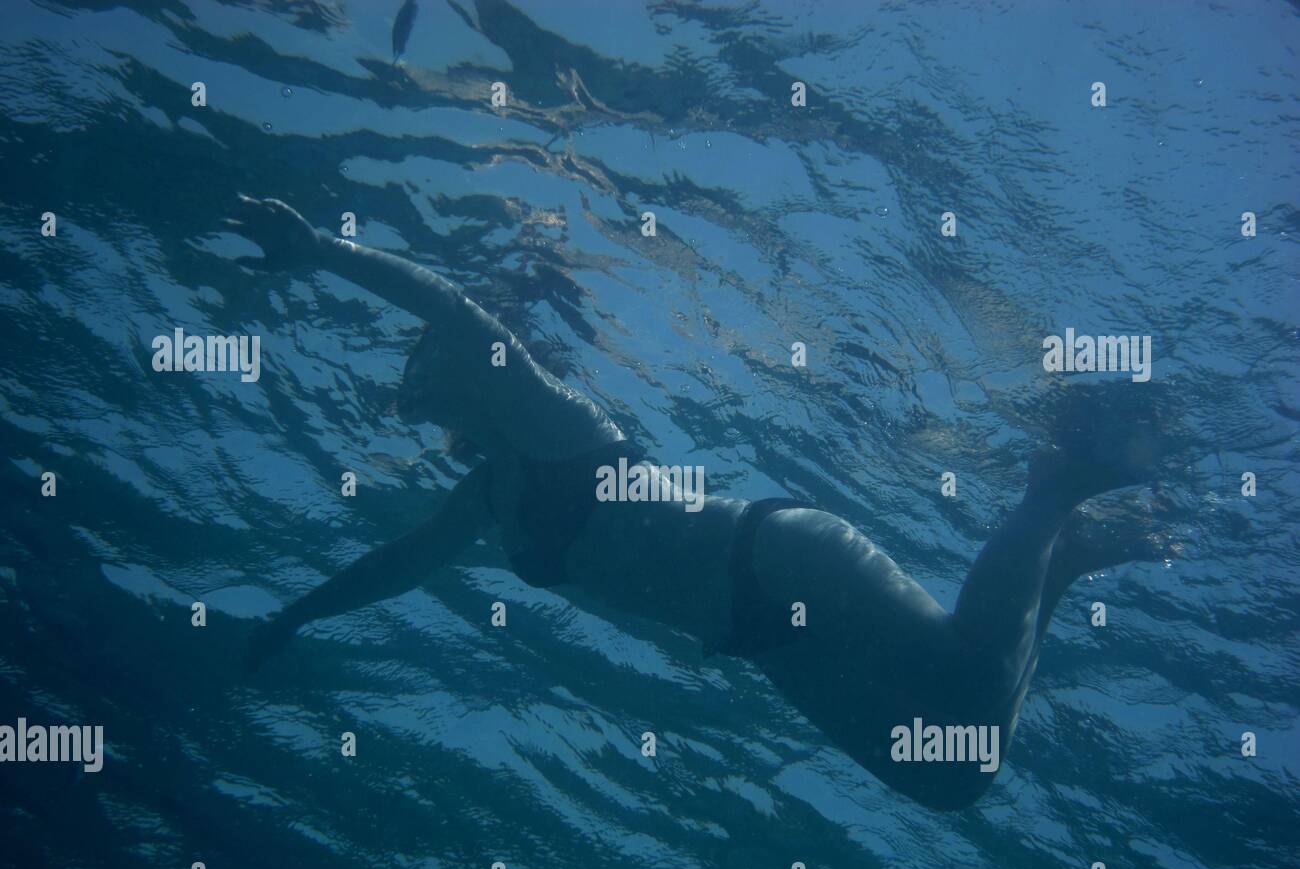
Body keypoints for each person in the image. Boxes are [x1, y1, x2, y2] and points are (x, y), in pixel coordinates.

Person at [229, 195, 1173, 811]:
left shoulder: (549, 416)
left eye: (420, 366)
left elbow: (448, 306)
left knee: (966, 689)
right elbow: (395, 564)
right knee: (953, 775)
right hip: (760, 639)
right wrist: (295, 614)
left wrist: (317, 248)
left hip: (780, 555)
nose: (411, 387)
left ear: (469, 365)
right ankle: (1057, 565)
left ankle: (1053, 488)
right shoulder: (486, 495)